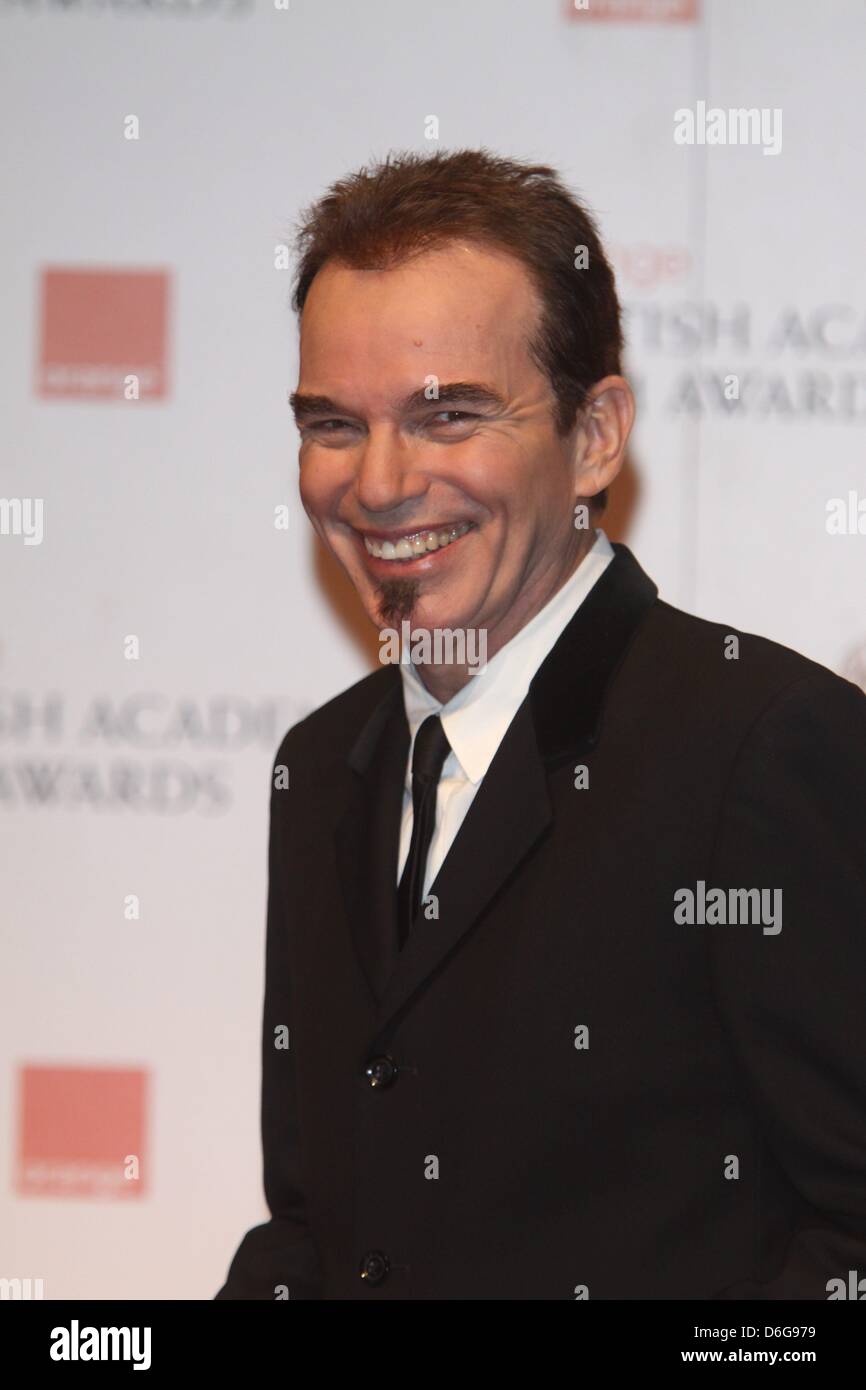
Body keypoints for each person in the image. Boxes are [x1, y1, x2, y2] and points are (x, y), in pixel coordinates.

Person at [216, 149, 866, 1300]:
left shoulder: (763, 748)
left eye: (447, 414)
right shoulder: (319, 767)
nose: (376, 483)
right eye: (332, 424)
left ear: (595, 434)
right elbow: (323, 1226)